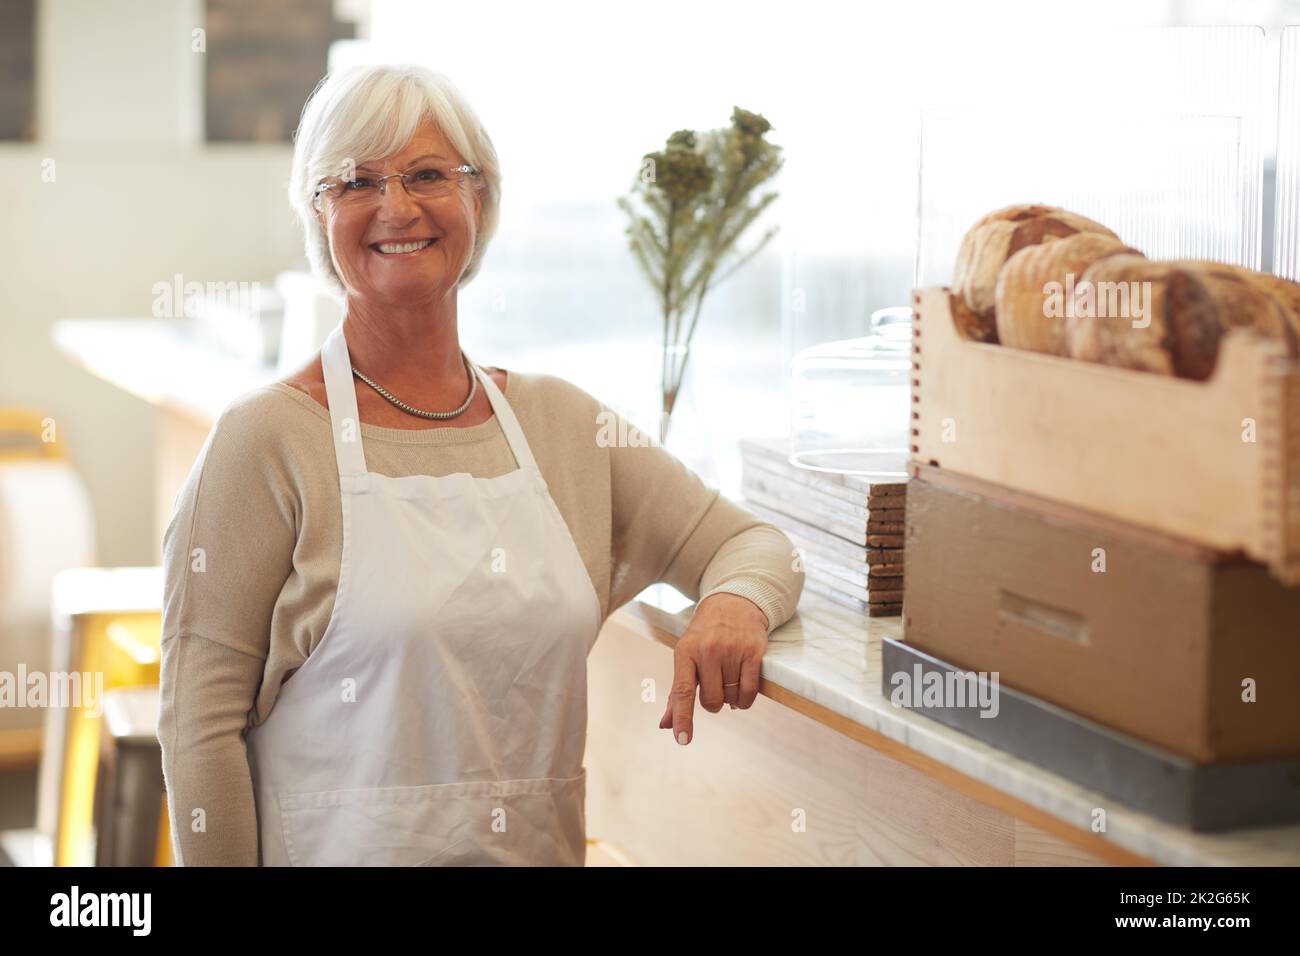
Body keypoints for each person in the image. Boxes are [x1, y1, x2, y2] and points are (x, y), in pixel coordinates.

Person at [157, 62, 803, 866]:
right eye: (356, 182)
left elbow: (756, 545)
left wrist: (734, 606)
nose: (397, 206)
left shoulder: (564, 426)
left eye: (429, 174)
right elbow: (197, 727)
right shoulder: (263, 442)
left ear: (480, 200)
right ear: (318, 215)